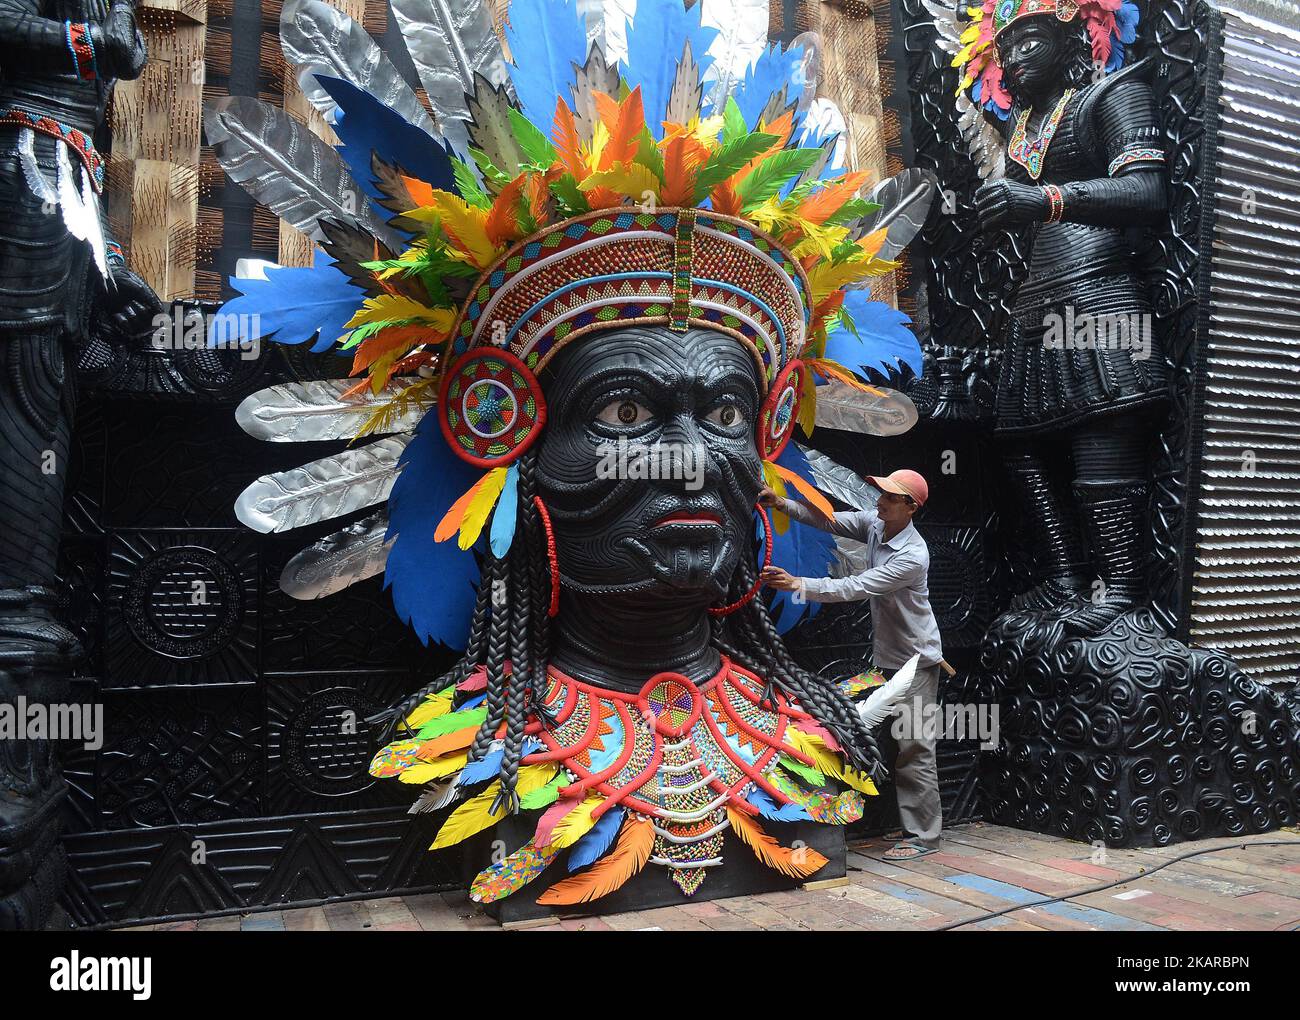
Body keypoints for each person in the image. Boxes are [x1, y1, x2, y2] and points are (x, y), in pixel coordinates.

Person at [759, 468, 945, 861]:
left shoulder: (913, 555)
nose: (879, 500)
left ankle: (923, 837)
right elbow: (826, 517)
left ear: (910, 507)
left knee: (914, 748)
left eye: (890, 497)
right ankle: (900, 823)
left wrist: (799, 584)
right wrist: (782, 504)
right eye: (881, 493)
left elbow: (857, 586)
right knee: (878, 739)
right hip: (887, 657)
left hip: (917, 663)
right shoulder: (876, 524)